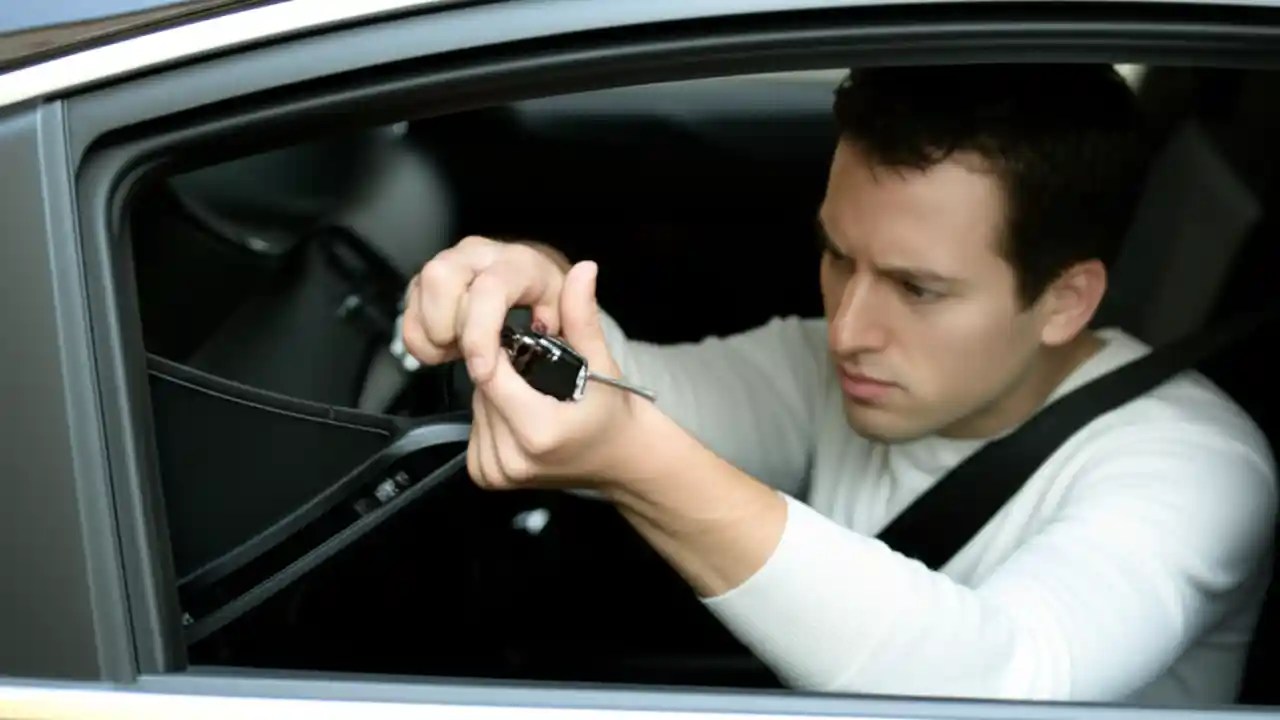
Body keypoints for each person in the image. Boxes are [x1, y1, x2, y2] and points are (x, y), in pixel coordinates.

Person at [400, 64, 1277, 705]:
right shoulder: (833, 367)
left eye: (918, 288)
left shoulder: (1196, 466)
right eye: (835, 254)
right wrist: (533, 286)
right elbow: (624, 388)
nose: (849, 329)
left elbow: (1010, 681)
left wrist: (638, 462)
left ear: (1064, 299)